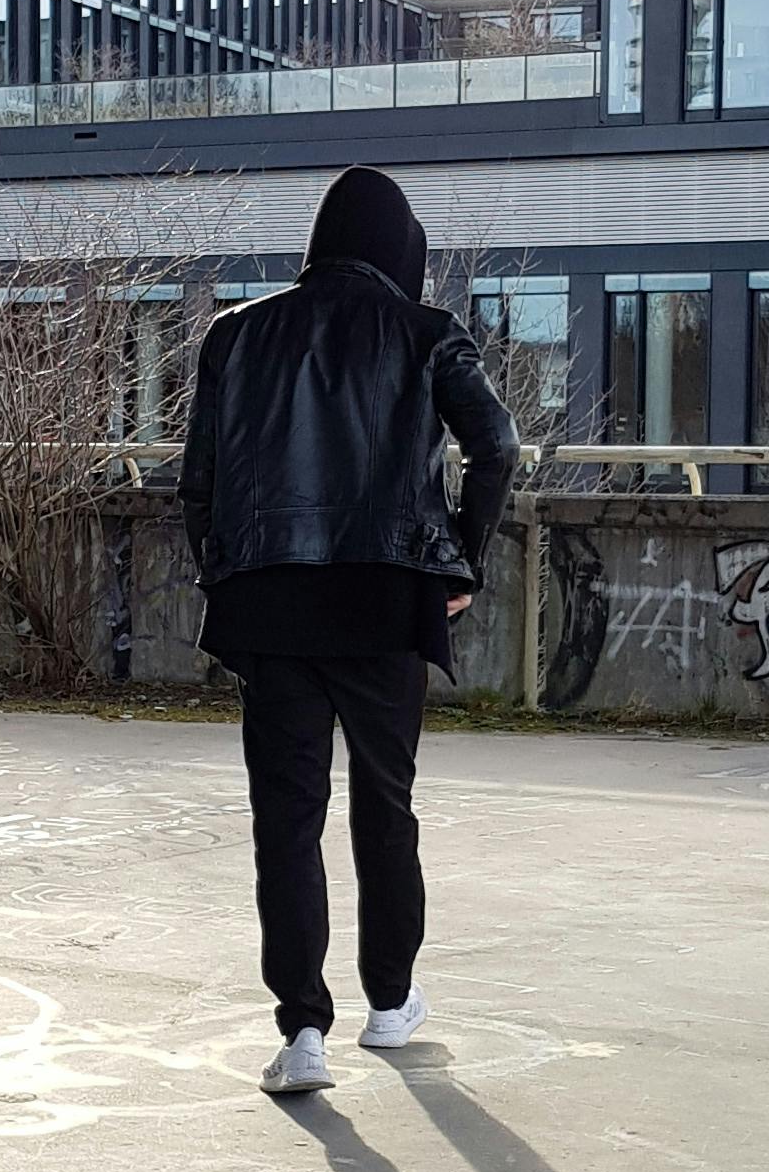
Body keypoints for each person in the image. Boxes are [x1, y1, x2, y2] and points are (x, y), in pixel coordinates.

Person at [179, 165, 519, 1096]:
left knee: (286, 821)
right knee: (386, 802)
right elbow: (498, 447)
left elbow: (197, 487)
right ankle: (391, 1003)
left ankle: (302, 1032)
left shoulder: (235, 336)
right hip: (387, 599)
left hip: (271, 604)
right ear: (399, 250)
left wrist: (231, 572)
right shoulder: (425, 334)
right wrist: (462, 560)